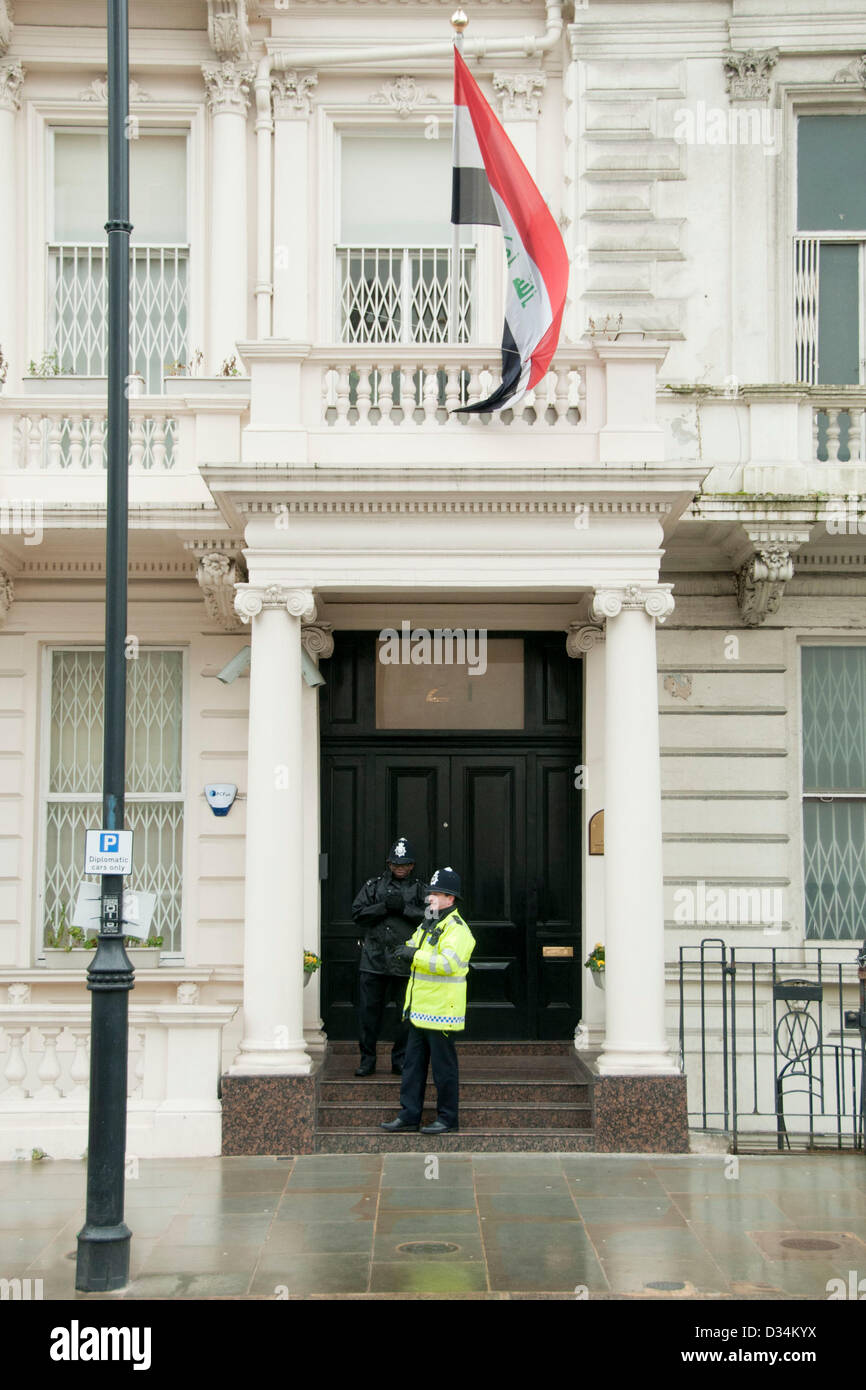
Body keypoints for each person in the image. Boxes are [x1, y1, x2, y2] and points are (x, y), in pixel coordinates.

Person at [380, 866, 476, 1135]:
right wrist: (405, 949)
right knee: (412, 1068)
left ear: (451, 899)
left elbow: (448, 965)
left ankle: (447, 1119)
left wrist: (415, 956)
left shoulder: (457, 930)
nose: (431, 897)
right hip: (420, 1010)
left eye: (438, 893)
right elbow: (413, 944)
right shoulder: (430, 922)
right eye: (431, 892)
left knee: (444, 1070)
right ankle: (409, 1116)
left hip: (442, 1012)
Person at [351, 837, 428, 1077]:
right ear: (389, 863)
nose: (400, 868)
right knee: (368, 1014)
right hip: (374, 961)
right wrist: (382, 907)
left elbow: (432, 917)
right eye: (396, 864)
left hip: (404, 961)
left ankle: (400, 1060)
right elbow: (358, 914)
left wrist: (405, 909)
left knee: (404, 1016)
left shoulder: (420, 889)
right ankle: (367, 1060)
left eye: (405, 864)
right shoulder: (373, 886)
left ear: (412, 865)